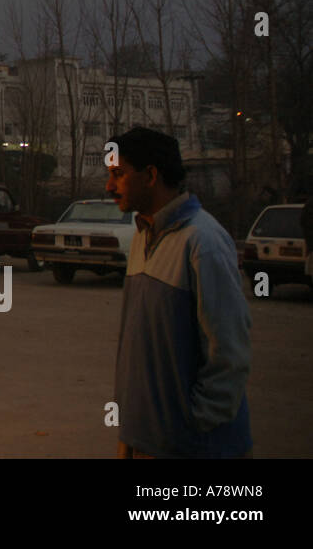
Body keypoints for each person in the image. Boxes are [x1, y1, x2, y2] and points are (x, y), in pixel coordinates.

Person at [106, 127, 252, 459]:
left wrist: (190, 424)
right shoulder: (143, 236)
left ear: (151, 175)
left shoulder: (204, 243)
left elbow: (229, 353)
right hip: (144, 439)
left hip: (195, 447)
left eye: (118, 174)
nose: (109, 186)